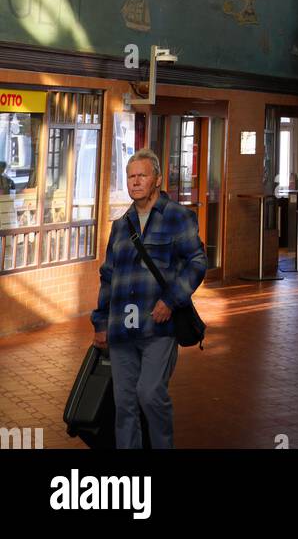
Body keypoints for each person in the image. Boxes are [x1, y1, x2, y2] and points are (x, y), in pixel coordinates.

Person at [91, 149, 207, 449]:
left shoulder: (179, 217)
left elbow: (197, 262)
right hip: (120, 329)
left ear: (157, 179)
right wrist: (100, 322)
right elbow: (108, 276)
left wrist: (171, 300)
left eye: (142, 175)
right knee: (124, 403)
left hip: (158, 326)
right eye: (131, 176)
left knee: (150, 393)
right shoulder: (121, 225)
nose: (136, 182)